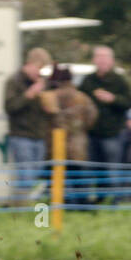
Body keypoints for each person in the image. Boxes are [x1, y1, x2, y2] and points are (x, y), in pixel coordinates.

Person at [79, 45, 131, 200]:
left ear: (111, 60)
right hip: (92, 133)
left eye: (105, 57)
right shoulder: (88, 81)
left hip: (113, 134)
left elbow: (130, 102)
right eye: (99, 56)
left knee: (112, 170)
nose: (102, 60)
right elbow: (79, 101)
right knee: (91, 169)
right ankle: (95, 200)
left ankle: (113, 201)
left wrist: (113, 99)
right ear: (94, 60)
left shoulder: (120, 81)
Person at [3, 48, 54, 204]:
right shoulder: (14, 81)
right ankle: (20, 206)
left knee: (35, 174)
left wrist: (48, 106)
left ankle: (24, 204)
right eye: (39, 69)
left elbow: (47, 111)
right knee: (25, 175)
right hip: (21, 135)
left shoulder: (43, 83)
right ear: (31, 64)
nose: (40, 74)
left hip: (39, 136)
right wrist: (28, 95)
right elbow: (9, 107)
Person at [43, 65, 97, 204]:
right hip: (77, 144)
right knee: (78, 176)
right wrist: (80, 130)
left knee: (57, 177)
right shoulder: (82, 97)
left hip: (55, 144)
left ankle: (60, 203)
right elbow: (92, 115)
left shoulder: (50, 97)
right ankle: (82, 203)